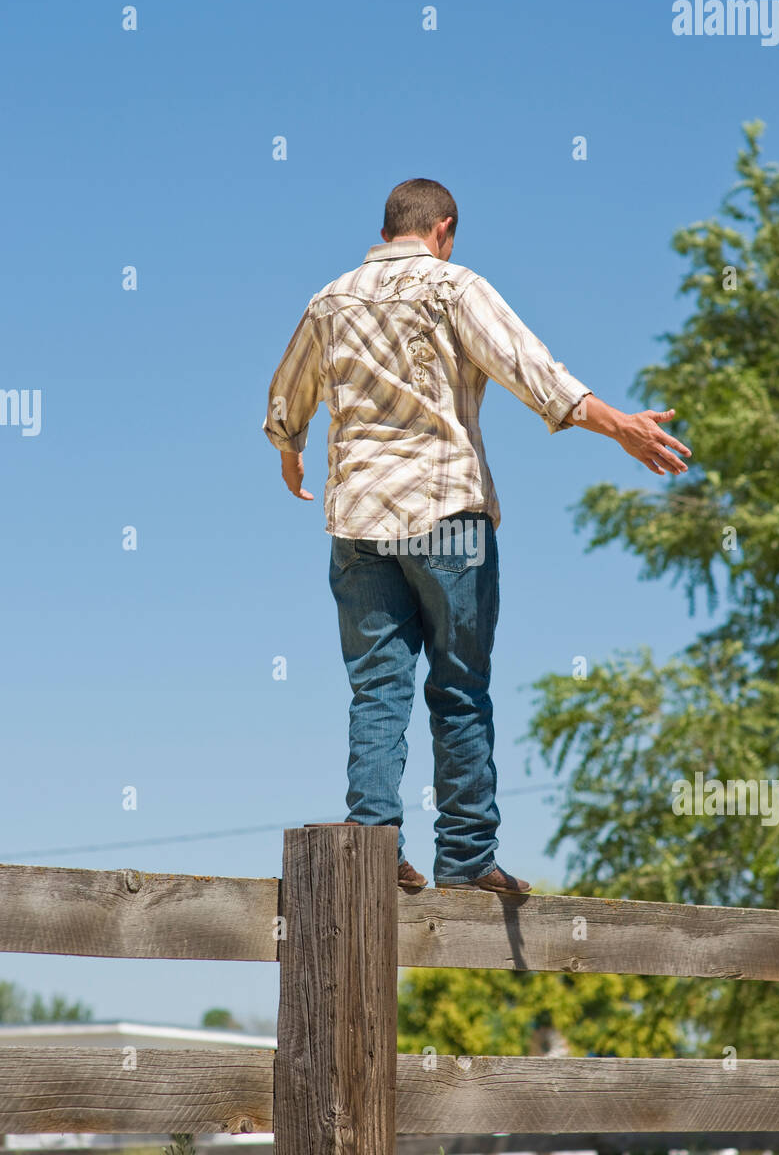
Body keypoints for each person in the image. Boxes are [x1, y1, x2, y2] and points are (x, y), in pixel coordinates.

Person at [263, 179, 691, 893]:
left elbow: (287, 392)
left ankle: (370, 844)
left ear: (388, 227)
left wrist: (288, 443)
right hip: (447, 515)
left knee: (376, 688)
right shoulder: (454, 287)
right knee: (459, 689)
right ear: (443, 228)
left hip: (358, 520)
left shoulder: (328, 301)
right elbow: (534, 373)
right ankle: (463, 859)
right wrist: (619, 425)